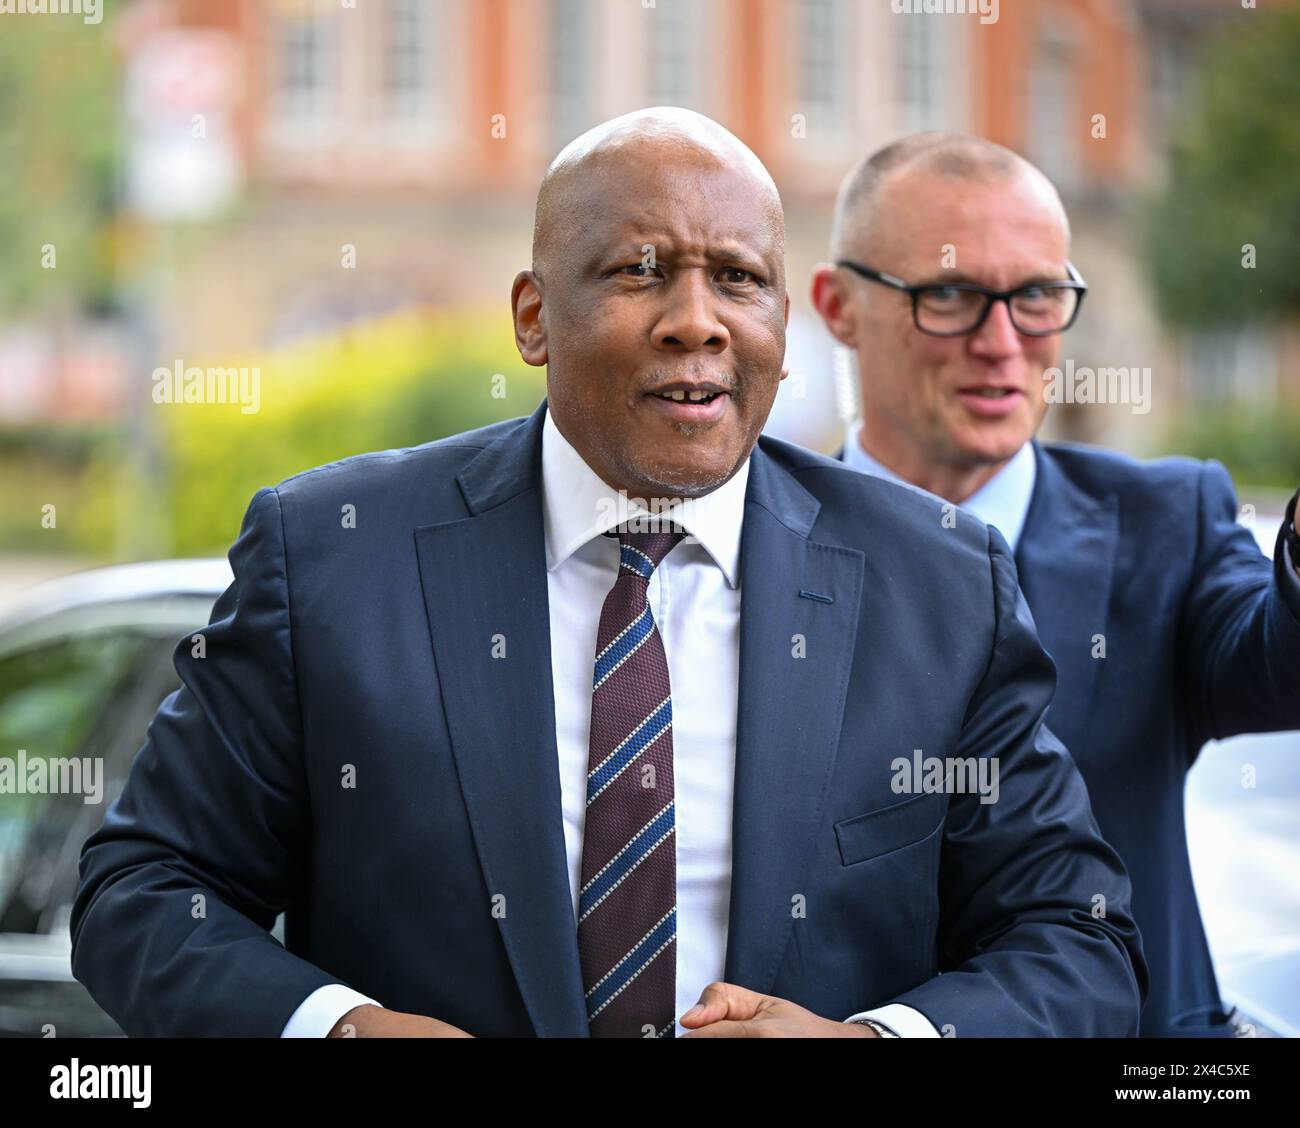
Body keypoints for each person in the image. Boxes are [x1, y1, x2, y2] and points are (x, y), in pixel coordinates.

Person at [71, 109, 1146, 1039]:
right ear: (534, 317)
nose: (696, 319)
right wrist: (337, 1028)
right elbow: (146, 891)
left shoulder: (940, 585)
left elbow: (1076, 941)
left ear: (782, 321)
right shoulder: (332, 554)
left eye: (738, 279)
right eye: (639, 271)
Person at [812, 131, 1300, 1038]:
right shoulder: (750, 546)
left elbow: (1278, 663)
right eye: (951, 296)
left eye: (1037, 296)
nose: (1004, 344)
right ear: (838, 306)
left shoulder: (1168, 521)